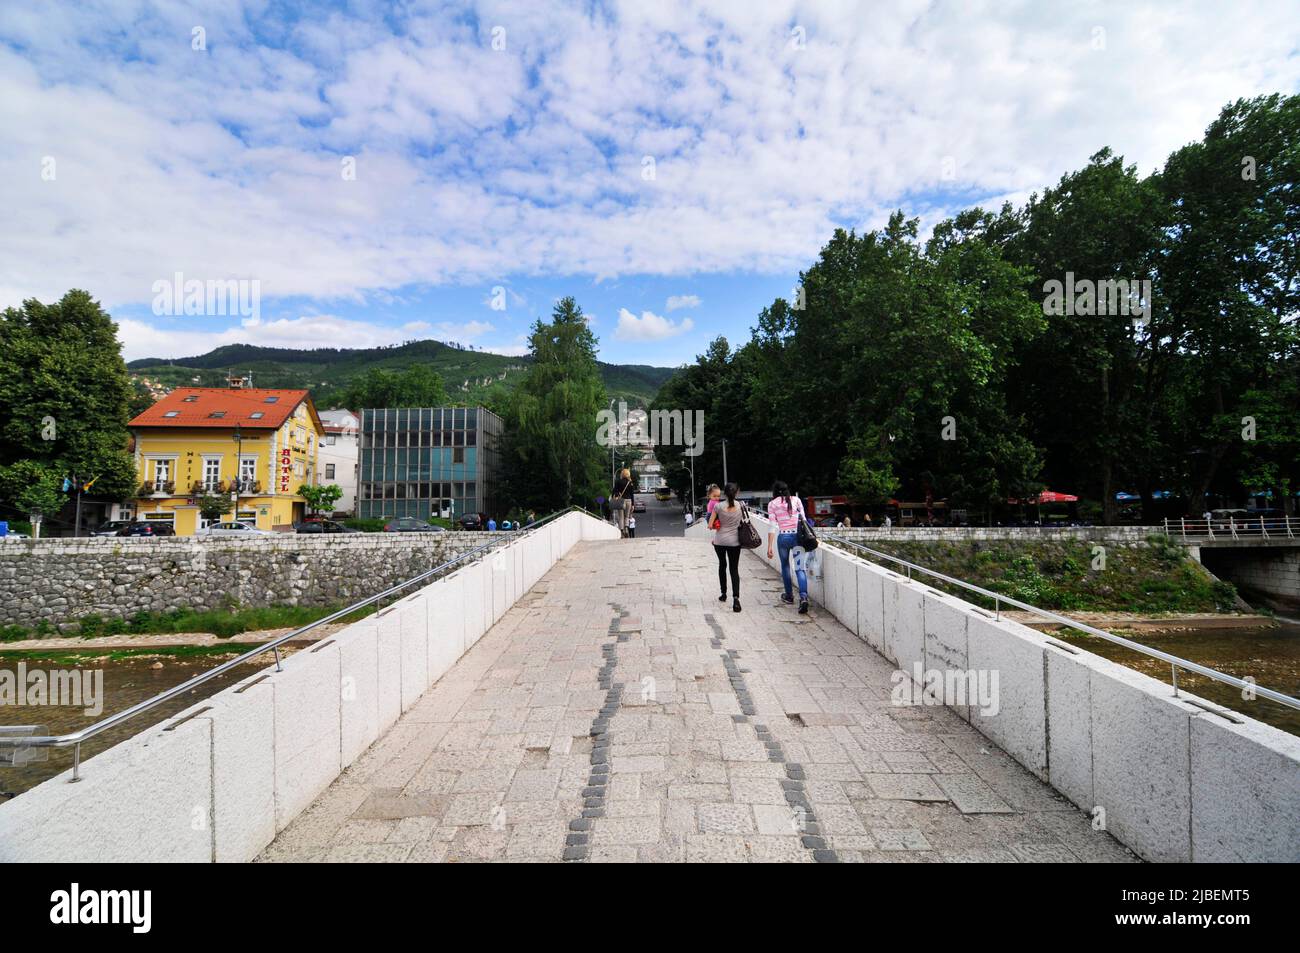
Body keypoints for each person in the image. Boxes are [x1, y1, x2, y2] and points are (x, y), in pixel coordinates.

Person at [766, 480, 809, 613]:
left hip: (783, 538)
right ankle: (803, 598)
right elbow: (804, 520)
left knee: (785, 566)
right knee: (800, 568)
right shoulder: (796, 500)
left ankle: (789, 596)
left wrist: (769, 546)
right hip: (797, 538)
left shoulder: (772, 504)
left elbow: (772, 526)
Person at [711, 482, 745, 613]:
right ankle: (736, 599)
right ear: (737, 493)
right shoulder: (741, 506)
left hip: (719, 541)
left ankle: (723, 594)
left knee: (722, 565)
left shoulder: (718, 506)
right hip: (735, 542)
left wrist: (718, 525)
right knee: (734, 569)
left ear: (724, 493)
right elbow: (743, 522)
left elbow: (710, 525)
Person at [611, 468, 635, 537]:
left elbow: (614, 491)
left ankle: (621, 532)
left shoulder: (618, 481)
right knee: (627, 516)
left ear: (622, 474)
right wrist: (633, 504)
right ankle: (626, 528)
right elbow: (632, 494)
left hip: (621, 500)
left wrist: (614, 496)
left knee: (621, 517)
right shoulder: (630, 482)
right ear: (628, 474)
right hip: (629, 501)